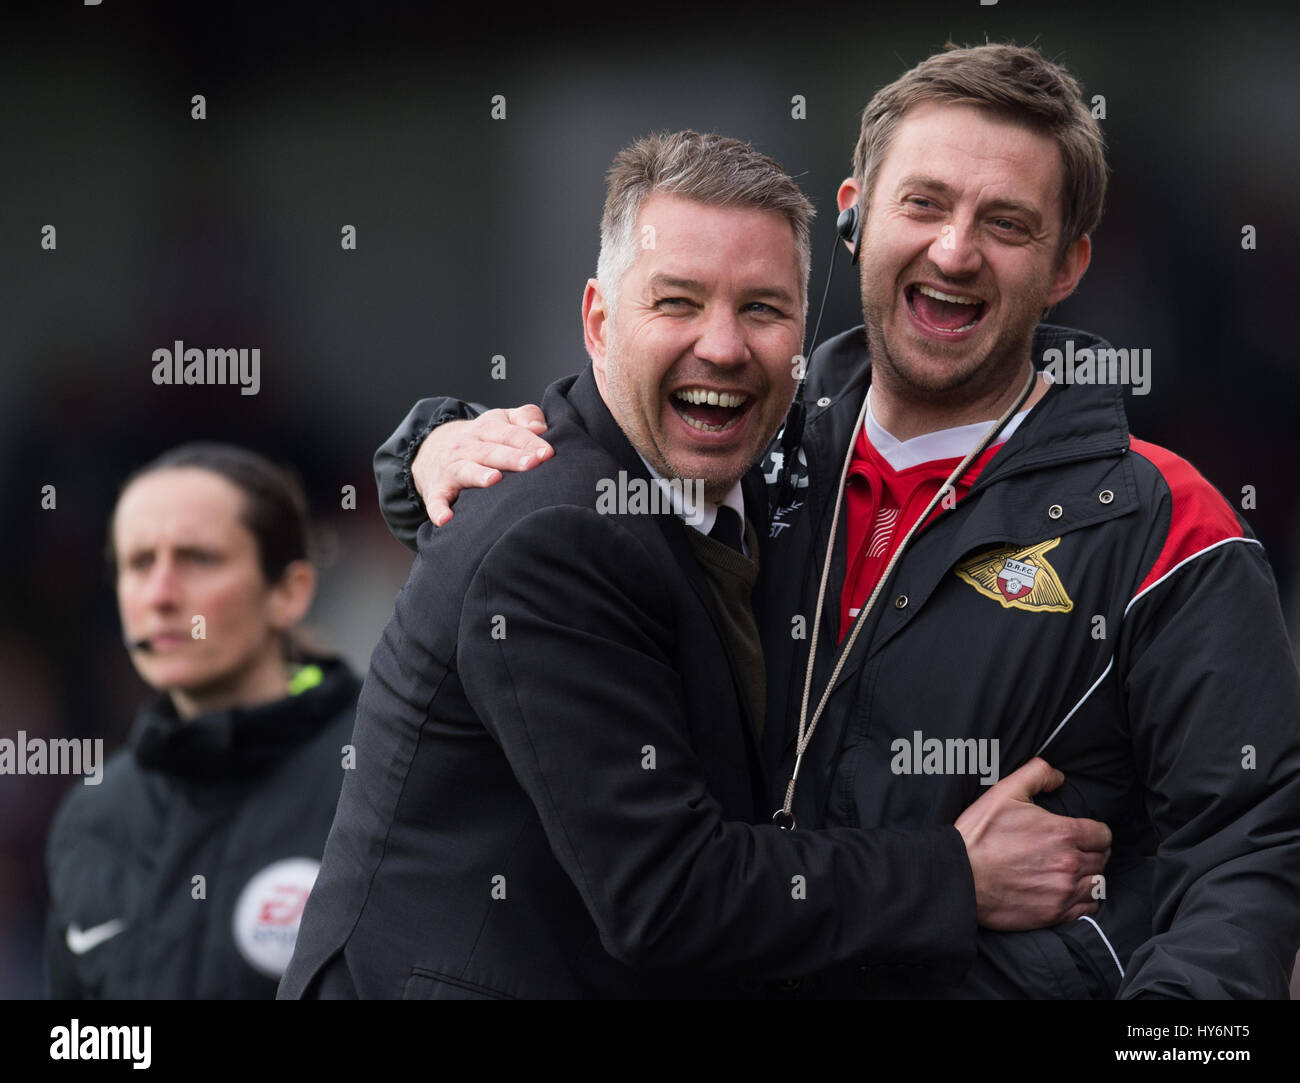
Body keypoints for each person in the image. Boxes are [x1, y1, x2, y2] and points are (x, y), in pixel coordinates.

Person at [377, 44, 1300, 999]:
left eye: (1008, 223)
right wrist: (428, 453)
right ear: (857, 213)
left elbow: (1247, 857)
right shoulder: (736, 437)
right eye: (925, 203)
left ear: (1068, 266)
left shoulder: (1170, 524)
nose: (954, 249)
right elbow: (567, 491)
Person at [279, 130, 1110, 1001]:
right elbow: (665, 894)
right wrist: (955, 877)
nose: (722, 345)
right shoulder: (554, 538)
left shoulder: (755, 476)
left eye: (761, 309)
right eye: (677, 302)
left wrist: (421, 446)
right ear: (600, 323)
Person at [44, 443, 361, 999]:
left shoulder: (382, 776)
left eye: (198, 558)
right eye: (139, 563)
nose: (161, 595)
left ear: (289, 593)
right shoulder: (93, 817)